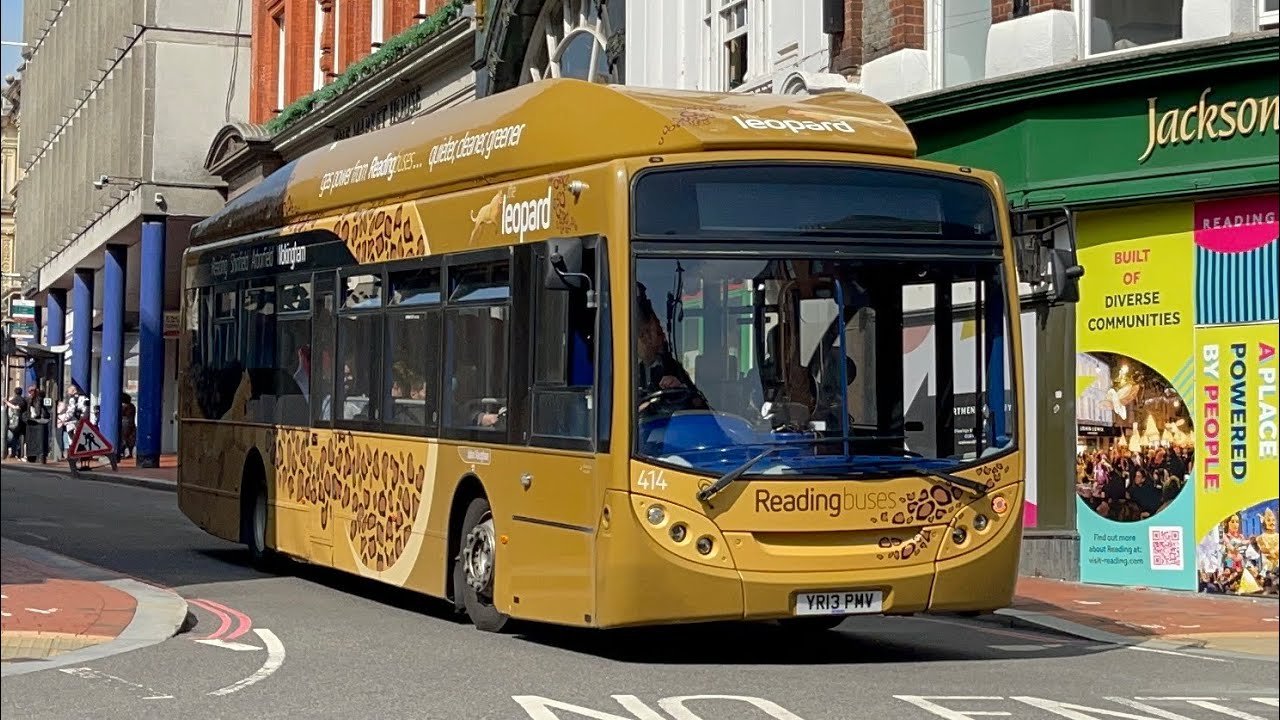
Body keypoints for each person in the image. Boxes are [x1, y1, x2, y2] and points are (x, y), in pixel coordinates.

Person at [634, 283, 702, 416]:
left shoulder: (673, 366)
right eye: (658, 333)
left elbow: (697, 402)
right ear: (642, 336)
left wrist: (679, 388)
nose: (663, 338)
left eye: (662, 333)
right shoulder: (624, 369)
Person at [6, 386, 28, 459]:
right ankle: (20, 452)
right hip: (23, 420)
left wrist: (6, 402)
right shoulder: (23, 400)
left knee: (15, 437)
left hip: (16, 421)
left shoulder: (15, 400)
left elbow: (16, 407)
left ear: (15, 392)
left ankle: (14, 452)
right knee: (22, 437)